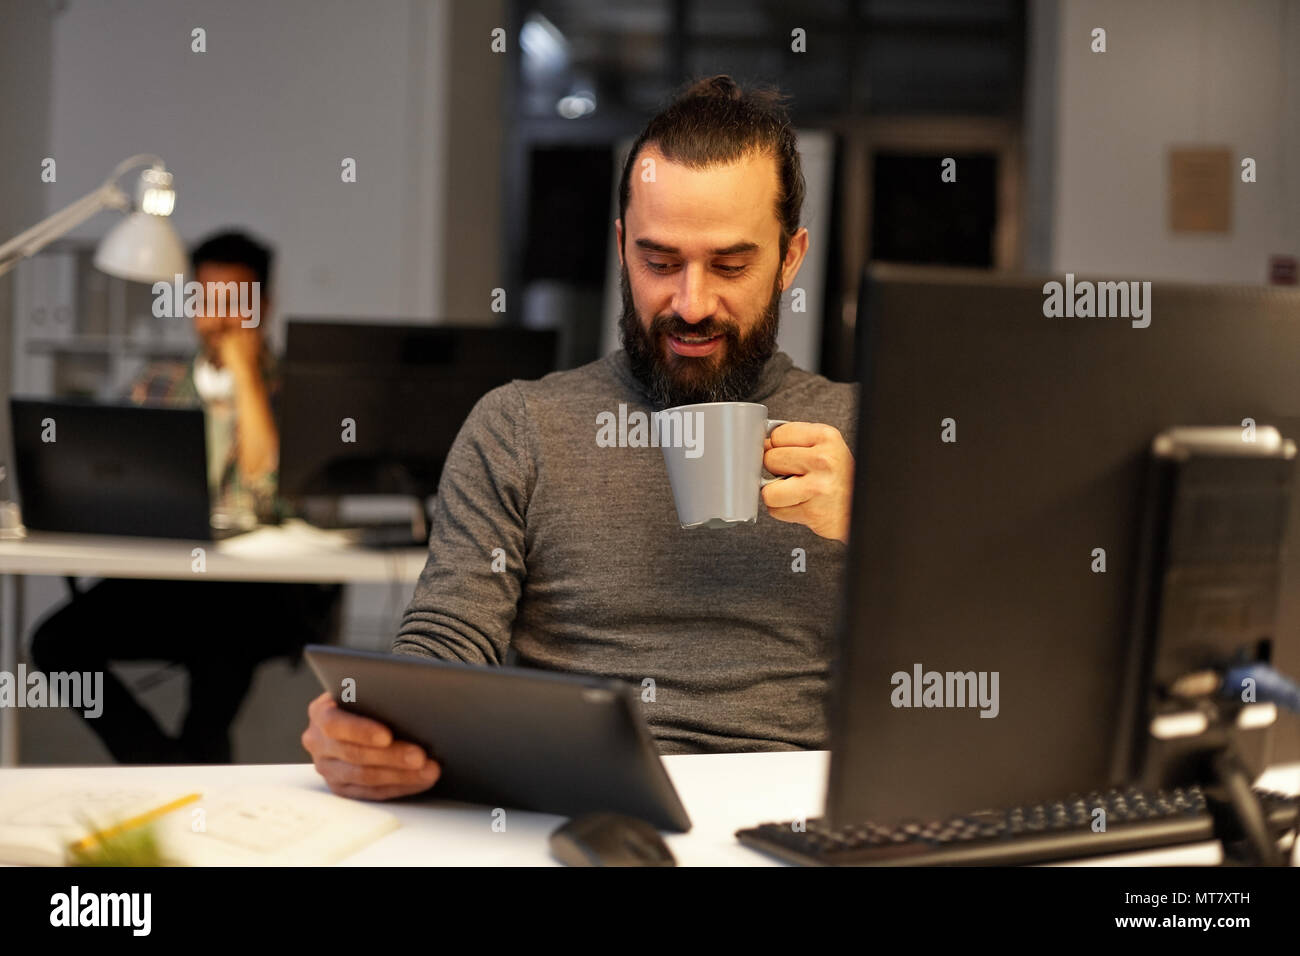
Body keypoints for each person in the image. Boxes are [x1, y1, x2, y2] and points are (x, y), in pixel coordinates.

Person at [302, 76, 857, 800]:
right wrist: (377, 724)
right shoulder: (520, 427)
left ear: (789, 258)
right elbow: (447, 639)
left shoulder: (862, 435)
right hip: (571, 805)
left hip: (791, 816)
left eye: (729, 265)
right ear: (622, 246)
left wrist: (878, 530)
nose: (691, 304)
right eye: (660, 263)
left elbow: (979, 668)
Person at [31, 231, 341, 764]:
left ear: (264, 307)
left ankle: (192, 768)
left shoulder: (301, 391)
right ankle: (162, 765)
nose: (217, 317)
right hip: (169, 578)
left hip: (259, 592)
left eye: (234, 302)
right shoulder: (158, 383)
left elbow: (270, 487)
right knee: (56, 642)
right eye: (205, 299)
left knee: (220, 645)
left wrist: (244, 370)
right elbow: (117, 478)